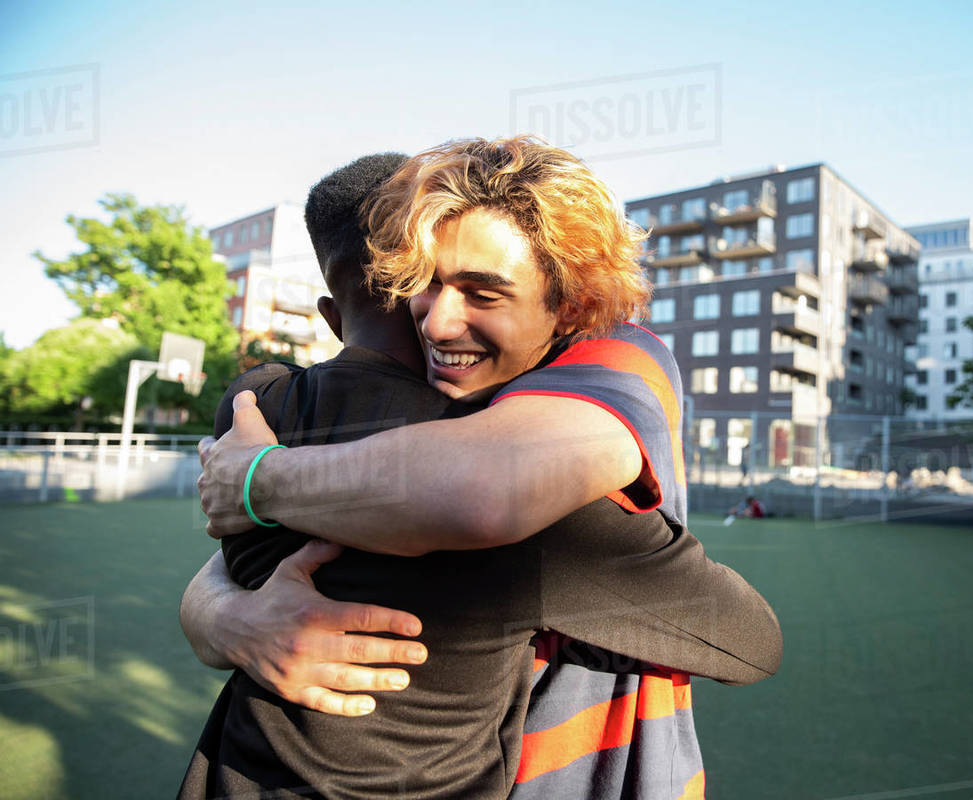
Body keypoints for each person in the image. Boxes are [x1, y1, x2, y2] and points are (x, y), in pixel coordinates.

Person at [185, 140, 782, 798]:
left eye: (483, 293)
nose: (440, 323)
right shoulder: (503, 485)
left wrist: (253, 486)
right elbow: (747, 637)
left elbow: (486, 491)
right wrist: (223, 617)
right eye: (427, 283)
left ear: (573, 308)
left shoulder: (252, 410)